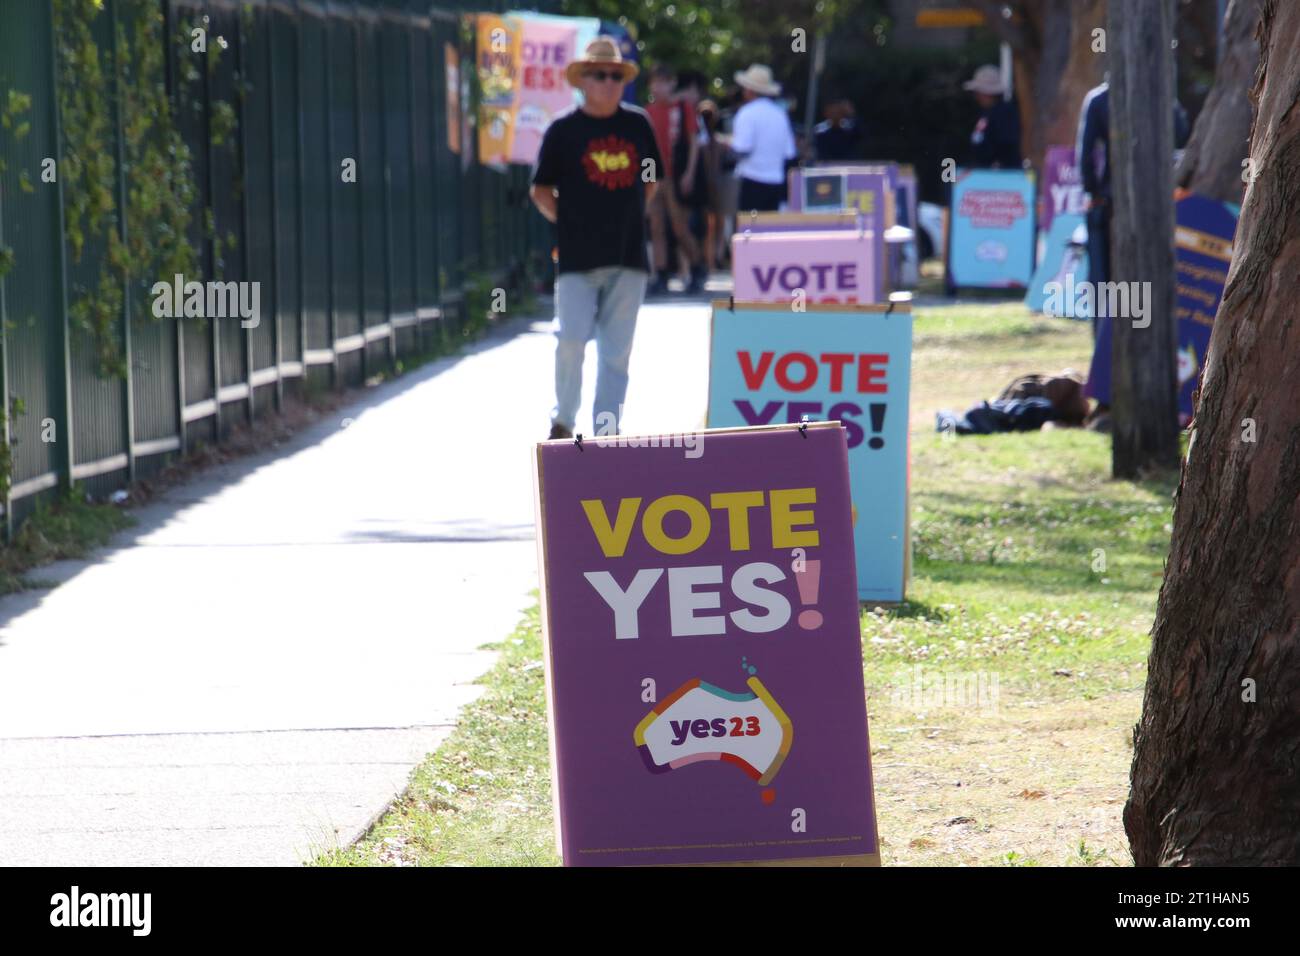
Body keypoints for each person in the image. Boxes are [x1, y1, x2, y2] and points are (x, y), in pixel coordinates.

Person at [530, 37, 661, 440]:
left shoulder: (638, 124)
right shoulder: (563, 131)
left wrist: (628, 214)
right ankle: (563, 420)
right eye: (601, 75)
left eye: (617, 75)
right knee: (569, 339)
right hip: (576, 258)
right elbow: (540, 190)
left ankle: (606, 430)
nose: (609, 82)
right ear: (583, 80)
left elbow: (651, 180)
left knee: (617, 354)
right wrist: (568, 220)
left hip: (628, 257)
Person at [644, 64, 705, 295]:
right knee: (656, 226)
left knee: (680, 226)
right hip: (656, 176)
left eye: (663, 82)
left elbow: (693, 143)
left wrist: (689, 172)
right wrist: (647, 180)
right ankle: (660, 274)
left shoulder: (682, 108)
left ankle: (697, 266)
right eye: (655, 82)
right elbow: (645, 150)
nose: (658, 87)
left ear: (671, 84)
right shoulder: (648, 112)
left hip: (675, 175)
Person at [729, 64, 796, 212]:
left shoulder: (747, 113)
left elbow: (742, 149)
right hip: (775, 182)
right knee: (768, 231)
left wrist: (727, 146)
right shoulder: (780, 114)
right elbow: (789, 153)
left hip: (751, 181)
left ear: (750, 90)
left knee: (748, 230)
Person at [964, 65, 1021, 169]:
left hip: (998, 173)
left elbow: (1007, 143)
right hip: (981, 171)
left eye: (978, 92)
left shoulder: (1004, 113)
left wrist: (999, 162)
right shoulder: (985, 113)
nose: (976, 96)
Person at [813, 97, 862, 162]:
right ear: (826, 113)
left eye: (837, 111)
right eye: (831, 111)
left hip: (848, 165)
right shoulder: (820, 130)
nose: (835, 114)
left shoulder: (850, 127)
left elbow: (862, 135)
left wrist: (851, 114)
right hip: (826, 166)